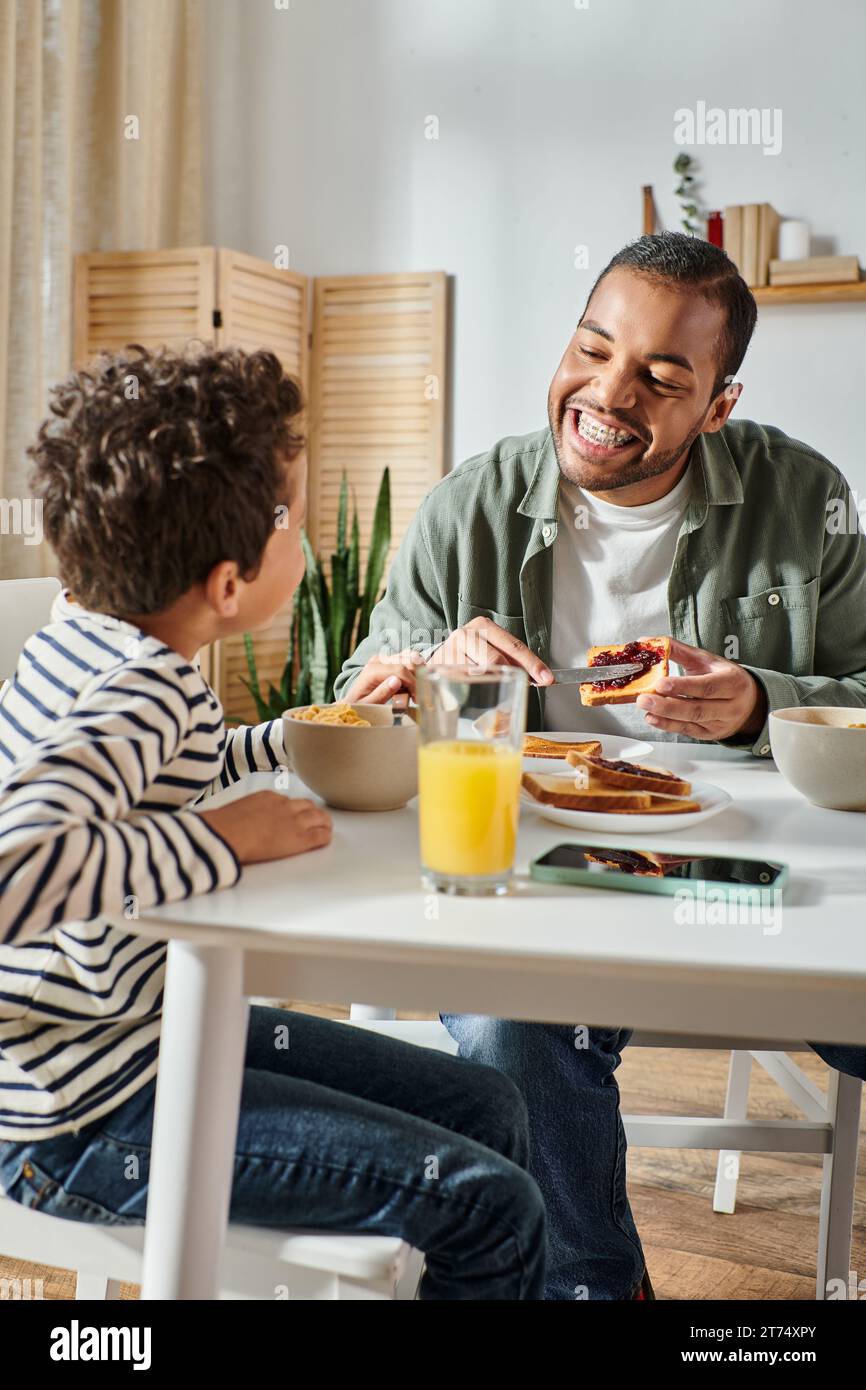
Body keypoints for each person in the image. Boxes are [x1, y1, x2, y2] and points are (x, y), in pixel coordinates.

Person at [336, 233, 866, 1300]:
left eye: (662, 377)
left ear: (716, 405)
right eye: (591, 348)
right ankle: (593, 1289)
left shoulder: (800, 497)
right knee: (502, 1029)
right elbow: (351, 705)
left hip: (757, 868)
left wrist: (761, 698)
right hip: (538, 869)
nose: (607, 393)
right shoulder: (468, 505)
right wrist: (433, 670)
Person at [0, 344, 547, 1301]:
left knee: (490, 1101)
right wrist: (222, 840)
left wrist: (314, 732)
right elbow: (15, 868)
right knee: (493, 1204)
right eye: (290, 520)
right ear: (227, 584)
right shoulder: (139, 686)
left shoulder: (101, 638)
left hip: (139, 1039)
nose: (308, 536)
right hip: (75, 1122)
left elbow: (179, 770)